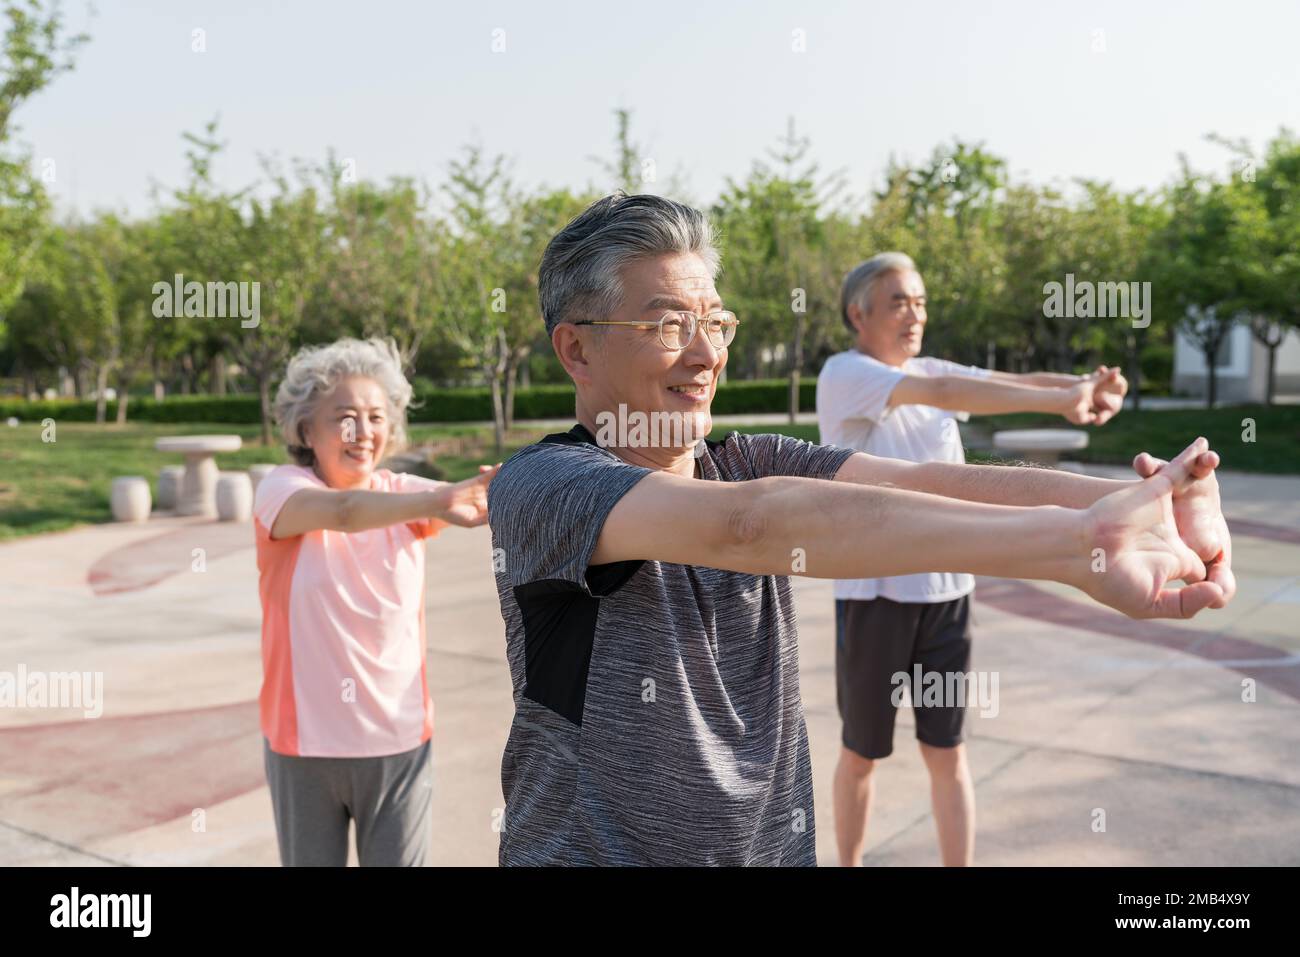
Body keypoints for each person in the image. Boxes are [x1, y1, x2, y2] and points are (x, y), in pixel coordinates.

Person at [486, 192, 1234, 867]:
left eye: (713, 321)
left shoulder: (744, 459)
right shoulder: (545, 487)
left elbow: (930, 481)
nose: (708, 353)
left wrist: (1139, 508)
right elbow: (747, 527)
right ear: (576, 348)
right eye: (666, 324)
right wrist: (1077, 547)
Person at [816, 251, 1139, 867]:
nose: (915, 314)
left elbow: (992, 385)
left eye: (921, 301)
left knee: (948, 751)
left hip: (946, 600)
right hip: (874, 598)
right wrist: (1065, 400)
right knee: (862, 753)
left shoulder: (927, 368)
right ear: (857, 314)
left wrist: (1075, 390)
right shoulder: (846, 373)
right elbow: (945, 389)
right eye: (898, 302)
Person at [252, 337, 496, 866]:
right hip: (305, 747)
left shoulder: (405, 492)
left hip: (399, 743)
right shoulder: (281, 492)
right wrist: (438, 499)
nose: (363, 433)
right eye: (345, 417)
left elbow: (473, 498)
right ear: (305, 429)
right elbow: (342, 511)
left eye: (376, 417)